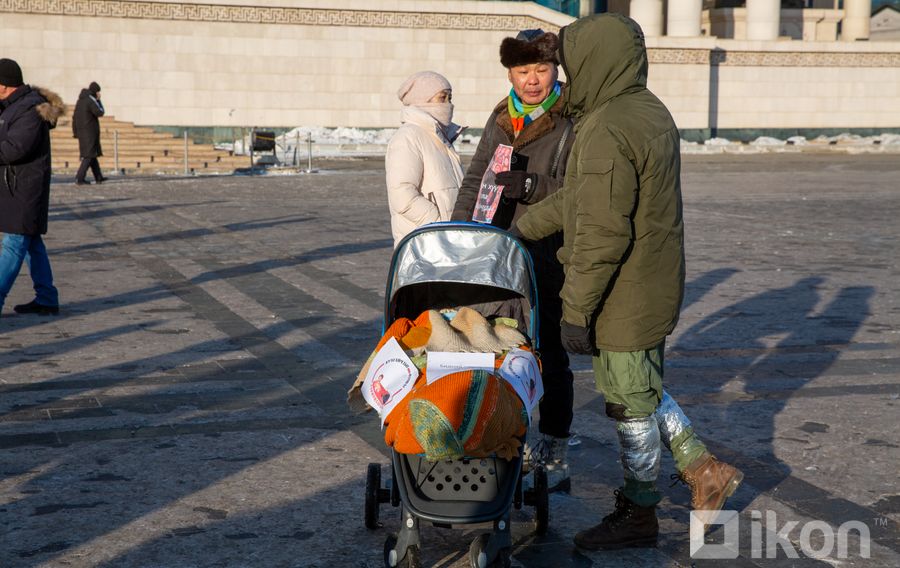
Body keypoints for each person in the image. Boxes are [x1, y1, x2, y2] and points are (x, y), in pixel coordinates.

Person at [515, 14, 743, 550]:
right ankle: (704, 470)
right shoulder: (646, 110)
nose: (567, 77)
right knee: (640, 386)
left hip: (624, 289)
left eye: (572, 65)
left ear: (595, 61)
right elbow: (582, 199)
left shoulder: (606, 127)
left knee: (627, 398)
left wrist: (575, 311)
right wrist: (521, 230)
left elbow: (601, 231)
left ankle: (640, 510)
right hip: (651, 279)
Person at [450, 29, 576, 492]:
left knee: (551, 353)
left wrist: (532, 186)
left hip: (550, 253)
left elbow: (582, 190)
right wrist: (458, 233)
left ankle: (555, 448)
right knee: (502, 346)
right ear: (510, 74)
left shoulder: (571, 119)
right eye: (523, 71)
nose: (533, 80)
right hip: (499, 254)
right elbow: (475, 178)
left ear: (556, 70)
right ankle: (507, 437)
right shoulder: (501, 116)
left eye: (541, 69)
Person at [0, 58, 64, 317]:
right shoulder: (11, 107)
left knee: (14, 243)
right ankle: (46, 297)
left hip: (25, 188)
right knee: (32, 242)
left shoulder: (28, 110)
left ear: (4, 85)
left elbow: (15, 148)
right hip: (16, 186)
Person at [385, 71, 464, 246]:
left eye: (450, 98)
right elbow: (401, 194)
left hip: (448, 240)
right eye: (442, 98)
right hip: (424, 242)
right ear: (423, 100)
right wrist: (436, 223)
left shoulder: (441, 137)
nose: (448, 104)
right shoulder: (408, 137)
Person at [72, 81, 106, 185]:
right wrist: (99, 100)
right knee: (88, 156)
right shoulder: (91, 100)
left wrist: (75, 132)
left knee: (92, 154)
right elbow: (100, 112)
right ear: (95, 92)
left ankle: (98, 177)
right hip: (90, 133)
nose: (99, 94)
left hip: (82, 132)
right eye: (98, 92)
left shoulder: (80, 101)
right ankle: (79, 178)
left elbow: (74, 117)